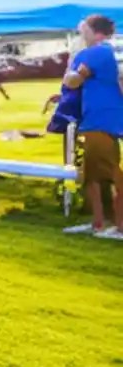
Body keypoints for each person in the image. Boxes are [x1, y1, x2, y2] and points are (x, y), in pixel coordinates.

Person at [63, 15, 123, 238]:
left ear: (93, 31)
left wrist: (76, 73)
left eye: (83, 31)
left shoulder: (94, 53)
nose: (82, 36)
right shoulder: (115, 52)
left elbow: (71, 82)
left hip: (100, 119)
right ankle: (98, 223)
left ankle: (119, 226)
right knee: (92, 174)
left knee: (108, 173)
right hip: (110, 118)